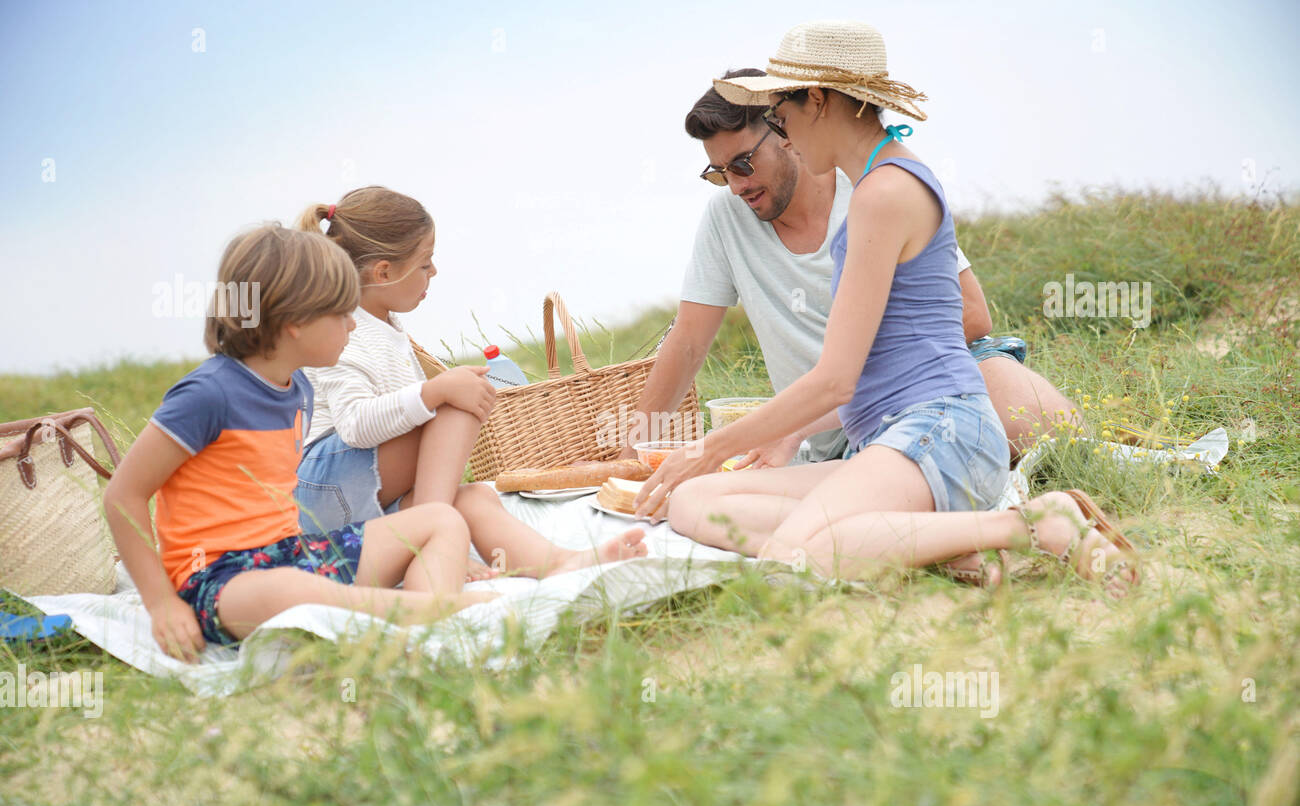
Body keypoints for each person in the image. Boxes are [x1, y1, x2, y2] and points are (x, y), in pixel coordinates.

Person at [632, 20, 1137, 594]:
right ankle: (943, 544)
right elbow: (866, 370)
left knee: (793, 561)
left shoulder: (881, 195)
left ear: (818, 101)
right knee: (695, 504)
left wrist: (711, 446)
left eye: (784, 116)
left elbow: (836, 380)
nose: (787, 134)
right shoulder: (876, 185)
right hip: (891, 440)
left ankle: (1029, 524)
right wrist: (778, 437)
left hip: (939, 433)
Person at [618, 68, 1078, 468]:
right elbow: (687, 341)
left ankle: (1060, 465)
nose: (736, 186)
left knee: (1032, 417)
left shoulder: (871, 190)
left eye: (743, 163)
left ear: (785, 129)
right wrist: (626, 457)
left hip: (921, 386)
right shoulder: (725, 218)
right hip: (821, 428)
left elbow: (972, 315)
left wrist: (853, 382)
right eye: (719, 173)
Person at [103, 224, 498, 663]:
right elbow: (124, 495)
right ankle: (437, 612)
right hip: (217, 580)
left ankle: (423, 640)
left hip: (292, 555)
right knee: (294, 592)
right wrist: (161, 604)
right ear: (294, 321)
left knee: (441, 520)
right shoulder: (207, 394)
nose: (353, 324)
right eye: (341, 314)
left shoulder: (299, 390)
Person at [295, 186, 647, 579]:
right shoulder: (344, 330)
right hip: (326, 488)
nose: (434, 273)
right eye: (425, 263)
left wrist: (437, 394)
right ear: (384, 271)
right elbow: (357, 426)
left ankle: (558, 563)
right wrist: (436, 392)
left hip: (365, 500)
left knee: (476, 497)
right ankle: (434, 533)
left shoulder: (386, 326)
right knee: (453, 406)